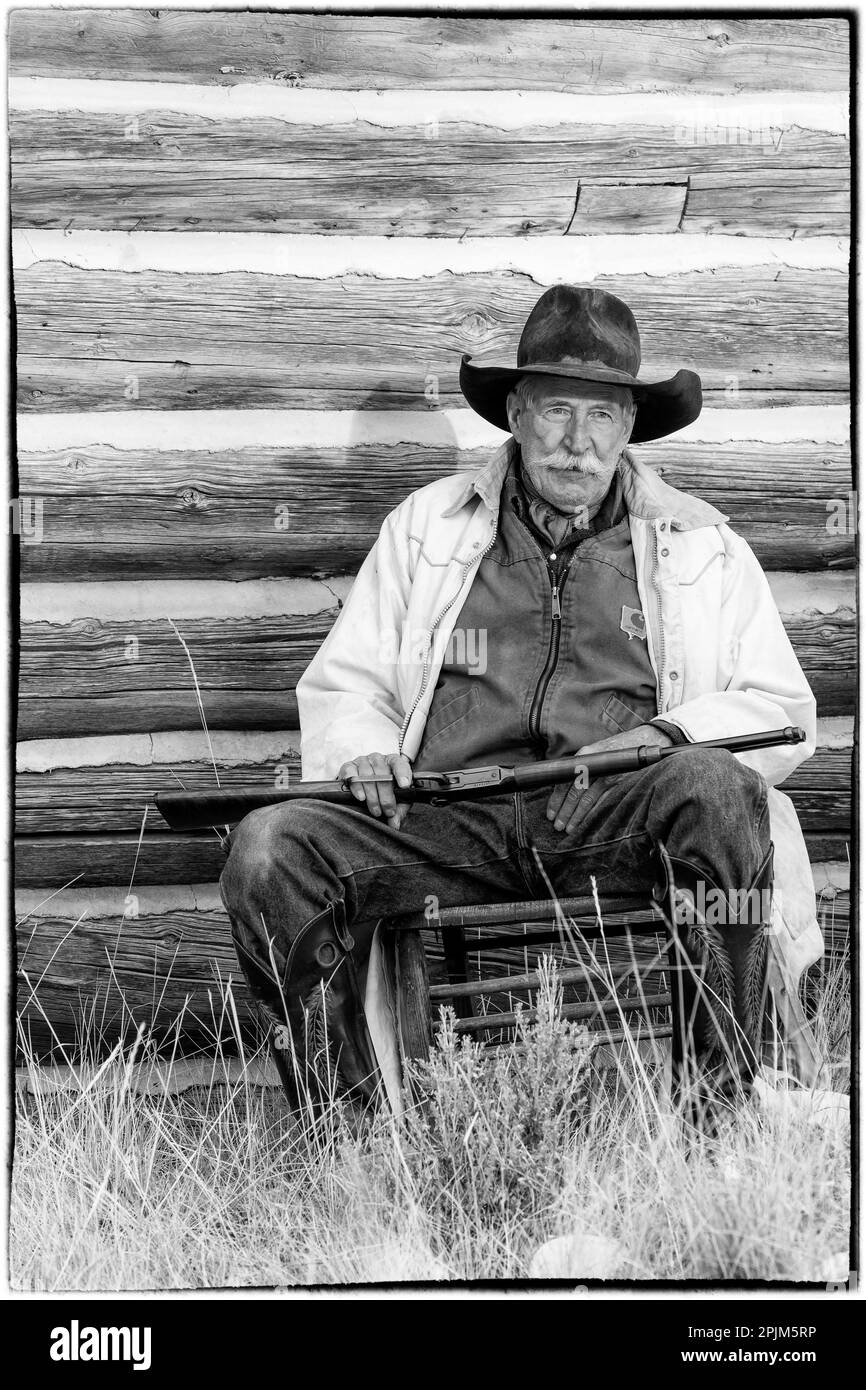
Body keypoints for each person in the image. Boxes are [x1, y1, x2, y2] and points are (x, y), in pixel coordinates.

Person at [219, 284, 822, 1128]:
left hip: (612, 810)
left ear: (630, 427)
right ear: (515, 410)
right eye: (557, 411)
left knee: (720, 793)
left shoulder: (700, 546)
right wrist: (363, 746)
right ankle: (351, 1136)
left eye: (603, 416)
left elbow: (778, 708)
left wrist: (665, 737)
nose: (578, 444)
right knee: (267, 849)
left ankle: (716, 1119)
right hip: (443, 818)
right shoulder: (428, 527)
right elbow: (350, 680)